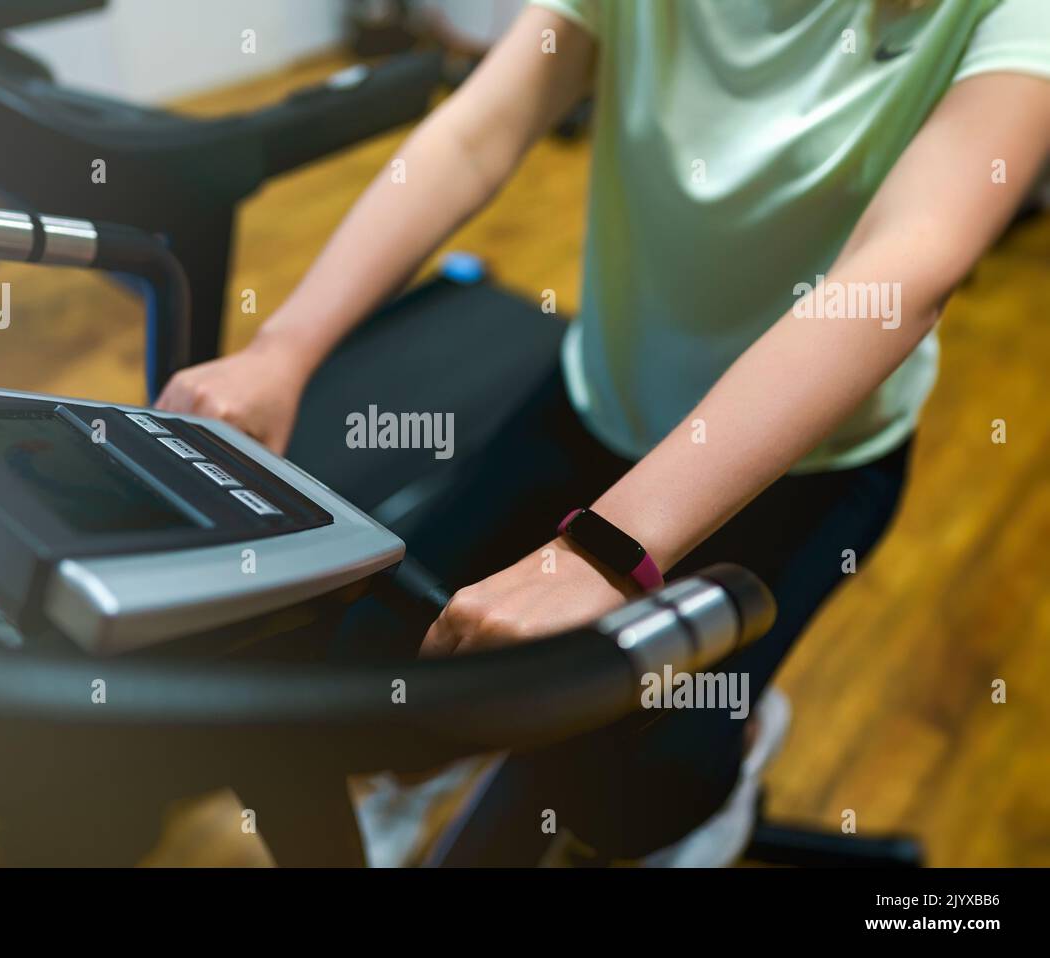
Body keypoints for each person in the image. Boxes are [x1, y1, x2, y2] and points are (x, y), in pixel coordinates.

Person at [157, 0, 1050, 865]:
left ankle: (740, 742)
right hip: (601, 402)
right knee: (378, 668)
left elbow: (905, 265)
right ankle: (425, 768)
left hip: (808, 467)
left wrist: (607, 551)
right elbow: (479, 131)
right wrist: (283, 350)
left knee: (635, 795)